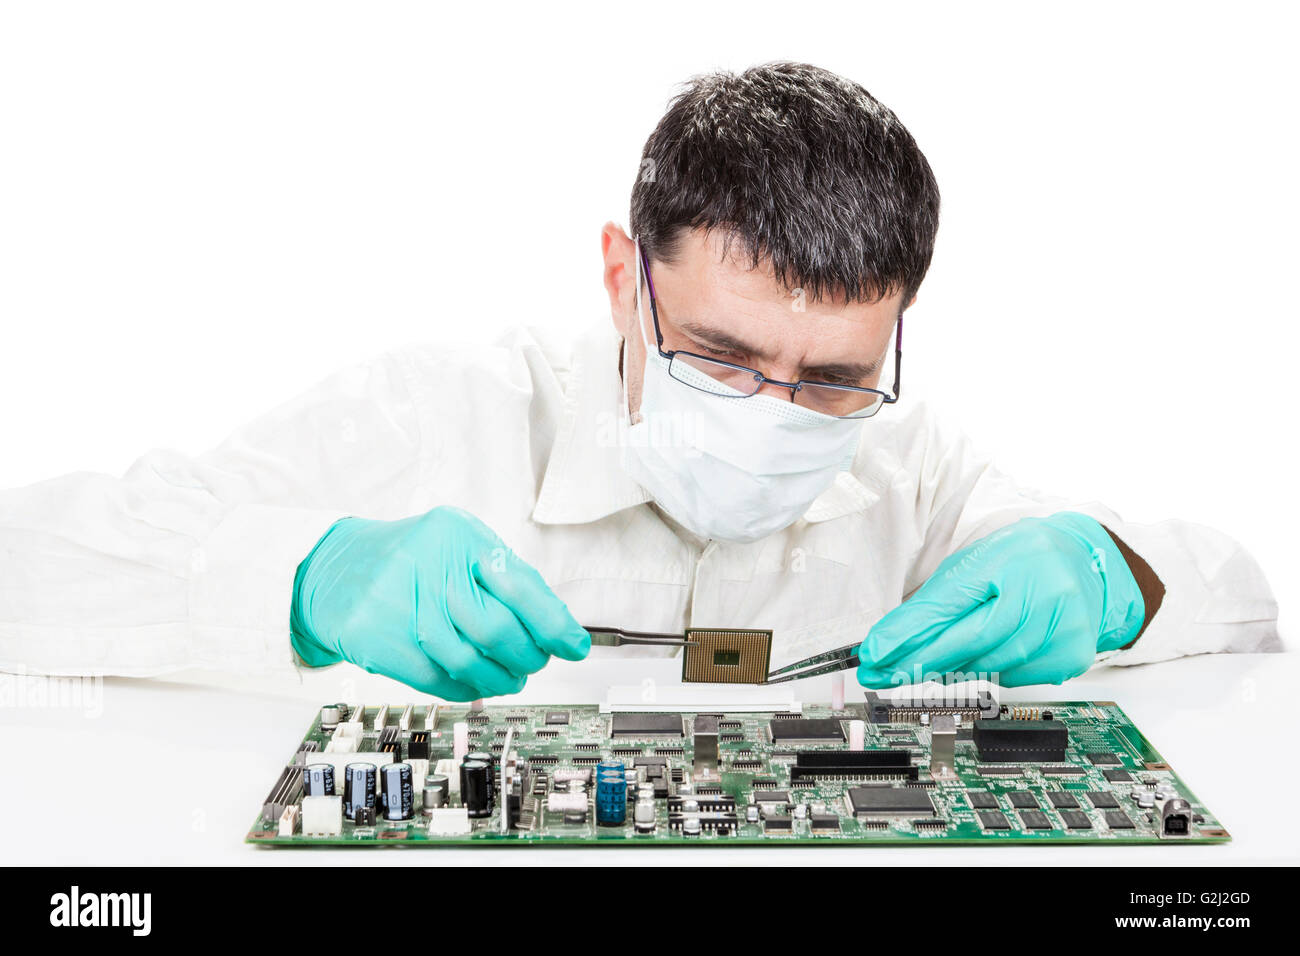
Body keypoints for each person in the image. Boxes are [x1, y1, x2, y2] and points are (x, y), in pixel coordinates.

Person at [0, 63, 1280, 700]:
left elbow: (1243, 600)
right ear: (625, 279)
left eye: (832, 376)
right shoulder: (431, 416)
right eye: (721, 357)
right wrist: (305, 572)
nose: (773, 418)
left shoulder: (920, 470)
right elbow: (26, 561)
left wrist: (1115, 577)